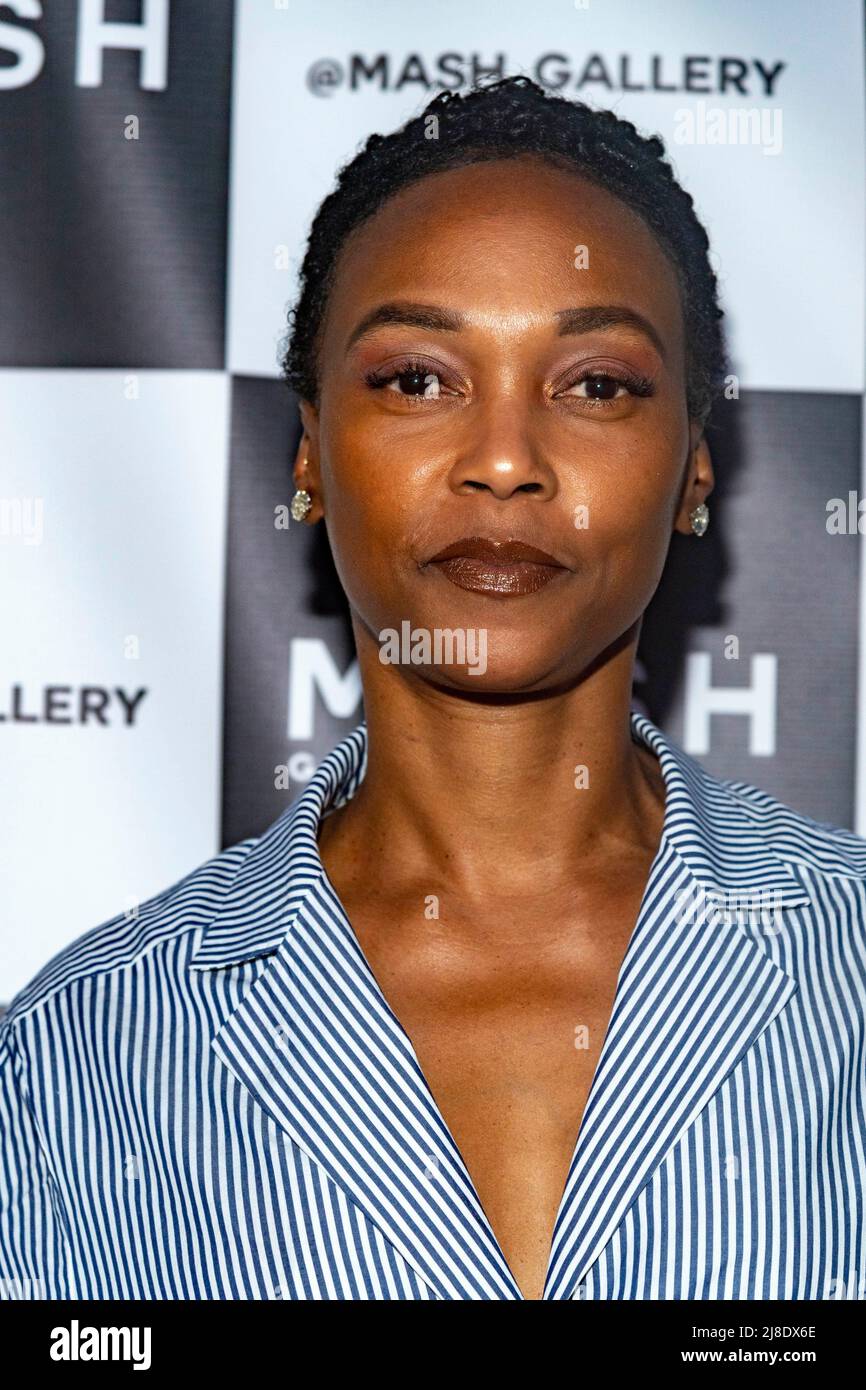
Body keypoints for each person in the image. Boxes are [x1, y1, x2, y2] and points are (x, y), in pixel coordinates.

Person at [1, 77, 864, 1302]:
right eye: (416, 379)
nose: (505, 461)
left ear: (692, 468)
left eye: (595, 384)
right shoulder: (80, 1054)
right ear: (307, 452)